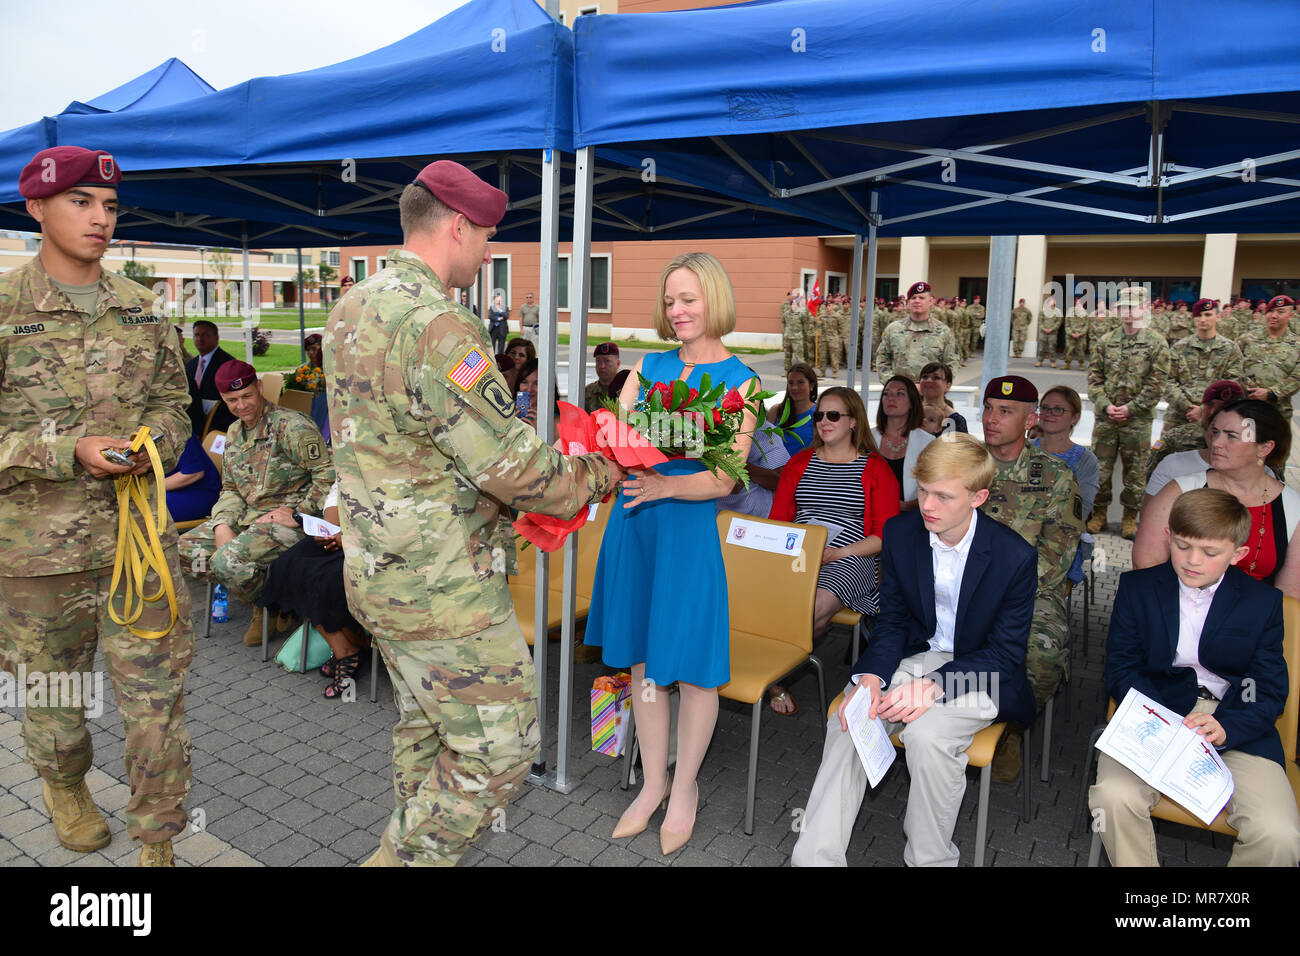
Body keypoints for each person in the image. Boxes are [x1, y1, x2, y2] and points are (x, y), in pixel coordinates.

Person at [325, 160, 620, 867]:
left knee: (426, 732)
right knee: (502, 747)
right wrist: (607, 465)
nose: (488, 250)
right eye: (486, 234)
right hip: (440, 586)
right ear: (456, 226)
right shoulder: (438, 326)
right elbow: (511, 468)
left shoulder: (353, 306)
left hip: (375, 571)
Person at [0, 146, 195, 867]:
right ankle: (64, 785)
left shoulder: (141, 308)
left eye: (110, 207)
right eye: (81, 202)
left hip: (135, 545)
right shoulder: (5, 308)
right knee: (56, 701)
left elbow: (176, 404)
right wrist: (65, 450)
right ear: (36, 209)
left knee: (156, 705)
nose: (100, 218)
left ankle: (160, 836)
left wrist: (158, 447)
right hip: (36, 557)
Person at [791, 435, 1037, 866]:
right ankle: (814, 860)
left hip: (980, 670)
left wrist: (934, 686)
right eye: (923, 490)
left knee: (928, 736)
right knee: (851, 717)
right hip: (917, 657)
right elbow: (894, 620)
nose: (928, 504)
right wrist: (871, 676)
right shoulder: (902, 533)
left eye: (943, 495)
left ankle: (930, 860)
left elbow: (1004, 654)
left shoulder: (1013, 556)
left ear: (978, 497)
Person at [585, 252, 758, 857]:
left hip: (685, 529)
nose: (677, 311)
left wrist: (668, 483)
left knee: (693, 668)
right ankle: (652, 782)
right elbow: (616, 441)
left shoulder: (743, 382)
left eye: (688, 299)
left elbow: (729, 477)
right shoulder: (645, 367)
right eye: (669, 301)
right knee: (641, 660)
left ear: (714, 299)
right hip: (634, 525)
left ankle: (685, 789)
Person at [1090, 488, 1300, 867]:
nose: (1191, 561)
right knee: (1112, 797)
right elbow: (1122, 668)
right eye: (1183, 546)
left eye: (1209, 553)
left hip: (1235, 721)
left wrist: (1228, 725)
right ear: (1169, 536)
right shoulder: (1138, 588)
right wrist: (1163, 718)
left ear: (1237, 554)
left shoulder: (1262, 603)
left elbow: (1261, 684)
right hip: (1155, 715)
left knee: (1279, 833)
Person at [178, 360, 336, 646]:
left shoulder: (292, 426)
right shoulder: (236, 433)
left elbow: (328, 475)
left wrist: (299, 514)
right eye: (232, 400)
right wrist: (223, 524)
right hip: (248, 518)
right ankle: (267, 599)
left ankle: (271, 602)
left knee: (226, 562)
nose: (241, 405)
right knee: (184, 550)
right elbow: (230, 487)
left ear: (260, 388)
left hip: (287, 523)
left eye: (247, 396)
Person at [766, 387, 900, 715]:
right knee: (762, 600)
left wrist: (836, 554)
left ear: (853, 421)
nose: (824, 422)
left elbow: (886, 534)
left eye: (834, 415)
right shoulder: (799, 463)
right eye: (819, 415)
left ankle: (772, 674)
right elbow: (778, 520)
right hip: (798, 550)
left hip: (853, 556)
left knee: (812, 608)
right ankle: (772, 667)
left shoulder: (875, 468)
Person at [980, 375, 1084, 781]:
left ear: (1031, 420)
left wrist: (996, 593)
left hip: (1028, 590)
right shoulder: (962, 463)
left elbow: (1058, 555)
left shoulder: (1055, 475)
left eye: (1005, 411)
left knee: (1044, 647)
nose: (992, 418)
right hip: (955, 581)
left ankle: (1010, 729)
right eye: (988, 408)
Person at [1133, 400, 1299, 597]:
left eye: (1231, 436)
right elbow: (1146, 568)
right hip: (1176, 617)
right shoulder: (1178, 490)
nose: (1216, 442)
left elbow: (1289, 594)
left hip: (1252, 624)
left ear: (1264, 448)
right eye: (1216, 432)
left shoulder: (1291, 506)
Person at [259, 478, 369, 699]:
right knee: (289, 565)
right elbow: (339, 488)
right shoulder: (351, 449)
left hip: (374, 540)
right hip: (343, 530)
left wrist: (345, 538)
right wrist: (329, 531)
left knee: (327, 578)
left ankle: (350, 649)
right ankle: (347, 647)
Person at [1087, 285, 1171, 540]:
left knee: (1135, 474)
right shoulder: (1105, 341)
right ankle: (1099, 515)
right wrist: (1105, 405)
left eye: (1132, 306)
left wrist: (1131, 408)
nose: (1127, 311)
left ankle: (1128, 518)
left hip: (1137, 421)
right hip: (1106, 419)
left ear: (1144, 308)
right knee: (1100, 471)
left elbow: (1157, 385)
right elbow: (1093, 380)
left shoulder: (1156, 343)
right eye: (1123, 306)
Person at [1153, 299, 1243, 469]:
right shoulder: (1179, 348)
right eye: (1198, 315)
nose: (1203, 319)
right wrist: (1188, 407)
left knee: (1209, 467)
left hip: (1214, 422)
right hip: (1178, 419)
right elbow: (1167, 381)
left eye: (1208, 315)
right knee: (1167, 463)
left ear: (1217, 317)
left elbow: (1233, 385)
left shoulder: (1230, 349)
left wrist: (1203, 410)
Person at [1033, 385, 1100, 589]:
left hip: (1061, 545)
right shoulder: (1022, 450)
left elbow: (1080, 513)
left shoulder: (1085, 461)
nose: (1049, 414)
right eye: (1044, 408)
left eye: (1058, 409)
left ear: (1075, 417)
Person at [1143, 380, 1247, 508]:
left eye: (1223, 407)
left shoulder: (1254, 446)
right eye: (1209, 405)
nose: (1212, 412)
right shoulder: (1175, 439)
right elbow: (1152, 483)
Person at [715, 401, 789, 519]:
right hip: (705, 511)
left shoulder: (767, 432)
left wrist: (743, 466)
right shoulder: (689, 420)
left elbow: (779, 481)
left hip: (754, 516)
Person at [874, 281, 958, 383]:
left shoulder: (944, 332)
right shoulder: (893, 329)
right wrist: (895, 385)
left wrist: (934, 386)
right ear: (908, 303)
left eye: (922, 298)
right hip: (900, 393)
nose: (917, 301)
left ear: (931, 301)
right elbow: (882, 360)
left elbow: (951, 364)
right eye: (913, 298)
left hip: (931, 394)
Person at [1240, 295, 1300, 434]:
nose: (1273, 316)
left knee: (1276, 452)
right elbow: (1233, 366)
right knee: (1245, 451)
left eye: (1280, 312)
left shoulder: (1297, 345)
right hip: (1247, 407)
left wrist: (1272, 393)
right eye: (1270, 311)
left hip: (1279, 411)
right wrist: (1250, 388)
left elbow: (1297, 378)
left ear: (1291, 315)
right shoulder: (1247, 339)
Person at [873, 375, 935, 507]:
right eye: (886, 394)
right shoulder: (867, 437)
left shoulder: (928, 442)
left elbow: (934, 489)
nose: (891, 398)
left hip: (912, 517)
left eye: (899, 394)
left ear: (912, 402)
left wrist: (907, 506)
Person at [185, 318, 236, 435]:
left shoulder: (228, 364)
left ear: (216, 338)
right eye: (196, 335)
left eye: (205, 335)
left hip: (217, 423)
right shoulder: (191, 365)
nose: (200, 339)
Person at [165, 432, 222, 522]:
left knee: (145, 509)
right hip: (171, 490)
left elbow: (194, 473)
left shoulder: (175, 429)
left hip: (200, 491)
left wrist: (149, 489)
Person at [770, 362, 817, 456]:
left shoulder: (819, 414)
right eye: (791, 383)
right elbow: (763, 442)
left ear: (812, 385)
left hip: (804, 469)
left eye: (800, 382)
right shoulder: (776, 411)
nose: (795, 387)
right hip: (774, 468)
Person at [917, 362, 967, 433]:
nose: (928, 380)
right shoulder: (908, 412)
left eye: (936, 377)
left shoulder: (955, 421)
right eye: (925, 377)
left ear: (948, 386)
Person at [585, 341, 622, 412]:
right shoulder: (587, 392)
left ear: (618, 363)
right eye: (598, 361)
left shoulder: (627, 390)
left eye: (607, 361)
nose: (602, 366)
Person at [1035, 296, 1062, 367]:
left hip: (1053, 333)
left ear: (1054, 303)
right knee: (1041, 348)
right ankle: (1040, 361)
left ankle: (1053, 362)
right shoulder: (1043, 310)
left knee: (1052, 348)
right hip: (1043, 332)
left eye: (1052, 301)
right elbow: (1040, 321)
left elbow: (1059, 322)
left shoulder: (1058, 311)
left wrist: (1051, 329)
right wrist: (1044, 329)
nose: (1051, 303)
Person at [1062, 300, 1089, 370]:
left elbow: (1086, 326)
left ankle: (1081, 364)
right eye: (1077, 304)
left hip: (1081, 336)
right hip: (1071, 335)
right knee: (1069, 349)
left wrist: (1080, 333)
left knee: (1081, 350)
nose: (1078, 306)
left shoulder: (1085, 314)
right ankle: (1067, 364)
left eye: (1079, 305)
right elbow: (1067, 325)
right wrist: (1072, 333)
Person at [486, 290, 509, 355]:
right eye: (497, 300)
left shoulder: (505, 307)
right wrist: (499, 318)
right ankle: (492, 357)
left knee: (501, 346)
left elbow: (506, 316)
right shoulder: (492, 307)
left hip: (502, 329)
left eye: (500, 300)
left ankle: (500, 358)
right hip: (493, 329)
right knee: (492, 345)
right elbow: (490, 316)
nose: (498, 301)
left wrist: (500, 311)